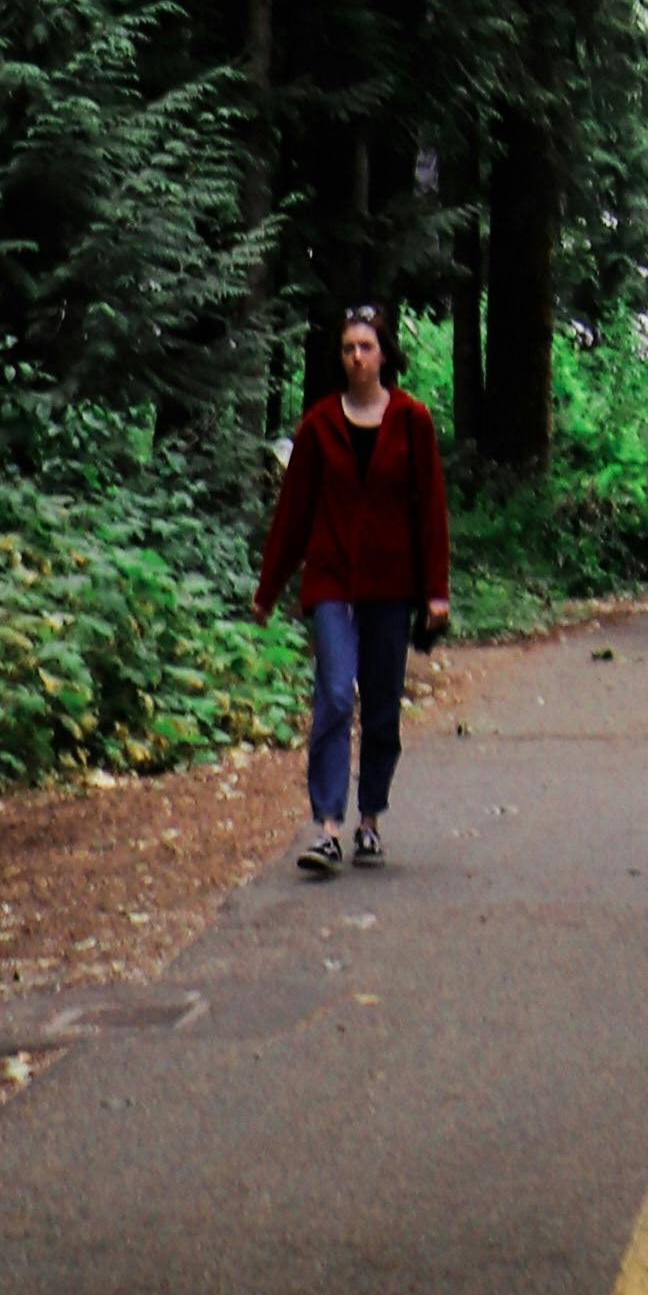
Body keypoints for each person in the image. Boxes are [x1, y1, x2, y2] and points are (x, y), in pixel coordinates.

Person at [254, 304, 450, 874]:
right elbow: (292, 514)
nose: (357, 357)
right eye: (348, 349)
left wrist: (435, 591)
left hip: (391, 583)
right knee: (337, 695)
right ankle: (327, 828)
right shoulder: (318, 426)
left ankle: (370, 820)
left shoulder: (412, 420)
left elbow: (430, 511)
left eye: (366, 347)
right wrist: (269, 589)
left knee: (382, 707)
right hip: (332, 579)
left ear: (384, 354)